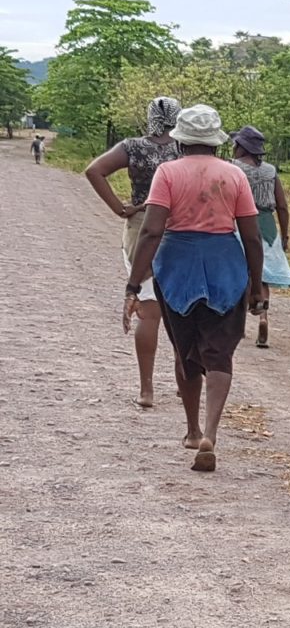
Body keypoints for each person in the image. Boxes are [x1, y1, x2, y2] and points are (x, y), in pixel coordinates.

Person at [124, 104, 264, 473]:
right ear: (216, 141)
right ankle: (212, 433)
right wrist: (256, 286)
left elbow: (152, 230)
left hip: (177, 265)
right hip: (225, 265)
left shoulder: (167, 173)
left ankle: (191, 429)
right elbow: (251, 235)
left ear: (180, 140)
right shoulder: (234, 175)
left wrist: (134, 283)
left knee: (185, 349)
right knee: (219, 352)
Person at [85, 97, 181, 408]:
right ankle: (186, 381)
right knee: (182, 311)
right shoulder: (185, 147)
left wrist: (120, 208)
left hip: (140, 226)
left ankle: (147, 390)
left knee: (149, 312)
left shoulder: (133, 147)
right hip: (180, 228)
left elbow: (94, 170)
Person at [231, 125, 290, 348]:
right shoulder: (270, 171)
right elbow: (283, 205)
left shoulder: (233, 168)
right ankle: (264, 317)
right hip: (267, 225)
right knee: (262, 273)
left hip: (239, 223)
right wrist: (285, 234)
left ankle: (238, 325)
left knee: (241, 272)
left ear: (241, 147)